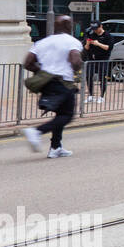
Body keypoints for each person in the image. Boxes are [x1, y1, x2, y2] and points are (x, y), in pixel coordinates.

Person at [21, 15, 83, 158]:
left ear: (55, 26)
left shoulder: (42, 42)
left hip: (46, 83)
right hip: (63, 82)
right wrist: (77, 66)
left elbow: (28, 62)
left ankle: (56, 147)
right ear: (69, 26)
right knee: (67, 115)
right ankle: (36, 131)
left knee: (60, 114)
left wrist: (43, 72)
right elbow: (75, 61)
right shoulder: (72, 42)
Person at [81, 21, 114, 104]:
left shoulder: (107, 35)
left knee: (102, 77)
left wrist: (98, 44)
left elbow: (109, 48)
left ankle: (102, 96)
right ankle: (90, 96)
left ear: (101, 26)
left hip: (103, 59)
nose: (95, 31)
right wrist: (87, 44)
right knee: (89, 76)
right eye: (94, 29)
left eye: (96, 29)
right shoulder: (92, 35)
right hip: (92, 59)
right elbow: (86, 48)